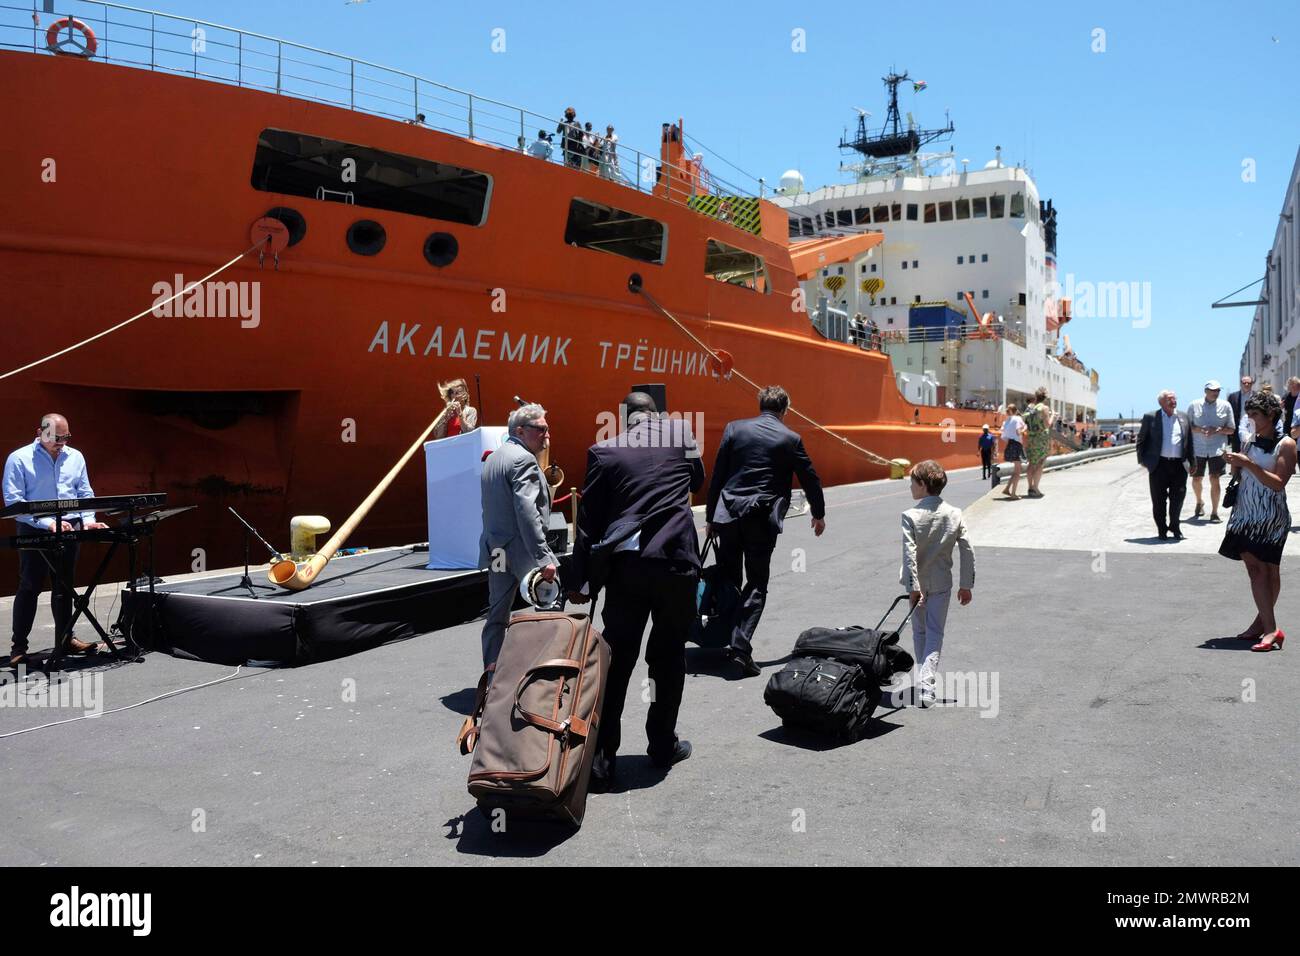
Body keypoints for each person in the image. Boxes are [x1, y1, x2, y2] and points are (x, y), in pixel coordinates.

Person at [567, 392, 704, 788]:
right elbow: (697, 479)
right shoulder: (682, 433)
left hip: (627, 569)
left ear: (625, 419)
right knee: (666, 659)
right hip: (676, 562)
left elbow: (588, 523)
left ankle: (601, 761)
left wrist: (581, 581)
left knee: (618, 660)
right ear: (656, 416)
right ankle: (662, 745)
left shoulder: (603, 451)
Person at [705, 386, 826, 677]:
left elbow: (718, 474)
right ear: (786, 409)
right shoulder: (791, 438)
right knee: (757, 582)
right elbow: (810, 478)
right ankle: (739, 647)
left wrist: (710, 516)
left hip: (729, 515)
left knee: (730, 577)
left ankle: (722, 637)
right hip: (761, 519)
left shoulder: (734, 429)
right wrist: (818, 514)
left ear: (760, 405)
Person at [3, 414, 109, 667]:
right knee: (30, 586)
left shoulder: (76, 457)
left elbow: (84, 494)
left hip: (69, 525)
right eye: (56, 438)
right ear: (40, 432)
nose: (61, 443)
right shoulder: (19, 458)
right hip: (34, 529)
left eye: (65, 437)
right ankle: (18, 647)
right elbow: (13, 503)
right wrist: (46, 523)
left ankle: (65, 638)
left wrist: (87, 520)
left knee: (64, 587)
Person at [476, 403, 556, 669]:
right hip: (522, 550)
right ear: (520, 431)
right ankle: (547, 675)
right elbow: (527, 512)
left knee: (497, 615)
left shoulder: (493, 458)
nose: (547, 434)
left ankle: (492, 676)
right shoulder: (523, 460)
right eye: (541, 429)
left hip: (496, 550)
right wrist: (544, 557)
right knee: (550, 605)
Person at [1219, 390, 1296, 652]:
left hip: (1270, 516)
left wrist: (1249, 464)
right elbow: (1241, 475)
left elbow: (1278, 483)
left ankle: (1269, 628)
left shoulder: (1285, 444)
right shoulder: (1249, 441)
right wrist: (1234, 463)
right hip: (1244, 514)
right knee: (1255, 569)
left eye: (1255, 414)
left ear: (1271, 415)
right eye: (1248, 414)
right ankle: (1265, 626)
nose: (1250, 418)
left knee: (1268, 570)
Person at [900, 460, 974, 707]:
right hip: (942, 582)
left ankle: (925, 684)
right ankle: (926, 684)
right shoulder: (955, 513)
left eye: (912, 482)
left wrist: (913, 587)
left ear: (922, 485)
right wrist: (966, 584)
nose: (910, 486)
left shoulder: (910, 516)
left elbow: (909, 554)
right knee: (935, 632)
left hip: (917, 582)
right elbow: (967, 550)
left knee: (920, 631)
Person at [1135, 389, 1196, 539]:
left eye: (1174, 398)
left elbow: (1190, 441)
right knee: (1158, 500)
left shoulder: (1183, 417)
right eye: (1169, 399)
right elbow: (1141, 440)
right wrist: (1143, 460)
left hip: (1179, 465)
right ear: (1161, 402)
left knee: (1178, 499)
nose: (1173, 401)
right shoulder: (1151, 417)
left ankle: (1175, 527)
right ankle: (1162, 530)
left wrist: (1193, 461)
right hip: (1158, 465)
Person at [1185, 379, 1235, 524]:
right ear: (1206, 391)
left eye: (1218, 390)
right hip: (1197, 447)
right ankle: (1199, 502)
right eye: (1213, 390)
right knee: (1196, 478)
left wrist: (1218, 430)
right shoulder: (1194, 405)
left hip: (1217, 447)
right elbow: (1187, 427)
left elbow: (1231, 429)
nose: (1216, 393)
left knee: (1215, 478)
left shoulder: (1226, 406)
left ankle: (1214, 512)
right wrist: (1201, 429)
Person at [1022, 386, 1054, 498]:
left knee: (1031, 463)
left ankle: (1030, 488)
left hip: (1031, 438)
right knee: (1040, 463)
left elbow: (1025, 422)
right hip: (1041, 439)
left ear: (1036, 397)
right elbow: (1047, 425)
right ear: (1045, 398)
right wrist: (1053, 416)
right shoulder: (1044, 408)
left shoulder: (1030, 409)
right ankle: (1035, 488)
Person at [999, 404, 1027, 499]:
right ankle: (1013, 494)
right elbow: (1018, 432)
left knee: (1016, 471)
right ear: (1016, 411)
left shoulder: (1006, 421)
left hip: (1010, 444)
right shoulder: (1018, 419)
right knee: (1018, 472)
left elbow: (1003, 436)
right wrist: (1025, 428)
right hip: (1017, 445)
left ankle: (1007, 489)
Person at [1228, 375, 1253, 452]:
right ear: (1241, 384)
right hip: (1237, 429)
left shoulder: (1257, 396)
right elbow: (1229, 413)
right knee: (1237, 453)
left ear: (1252, 384)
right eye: (1244, 382)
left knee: (1252, 453)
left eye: (1249, 383)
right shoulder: (1233, 396)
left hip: (1253, 427)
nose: (1246, 384)